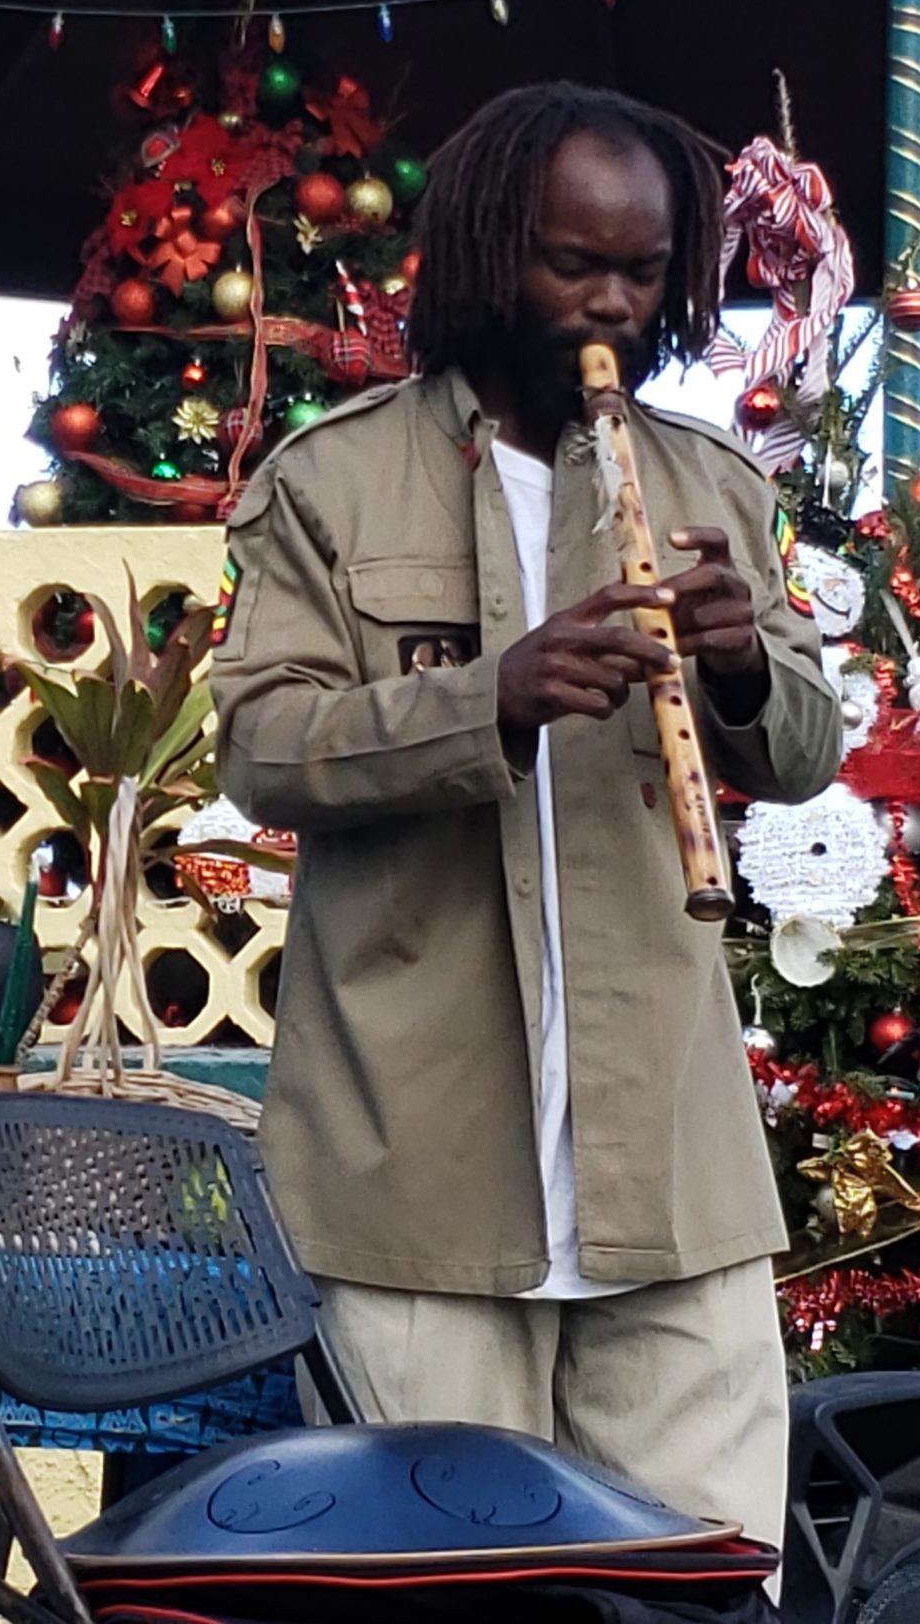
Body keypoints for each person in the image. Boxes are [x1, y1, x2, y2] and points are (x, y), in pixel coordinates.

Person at [210, 81, 841, 1558]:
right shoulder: (333, 482)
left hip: (671, 1181)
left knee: (701, 1580)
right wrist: (485, 700)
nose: (611, 301)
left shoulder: (714, 484)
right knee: (449, 1591)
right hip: (413, 1181)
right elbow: (261, 745)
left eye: (644, 270)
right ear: (492, 253)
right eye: (576, 264)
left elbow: (805, 755)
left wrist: (745, 659)